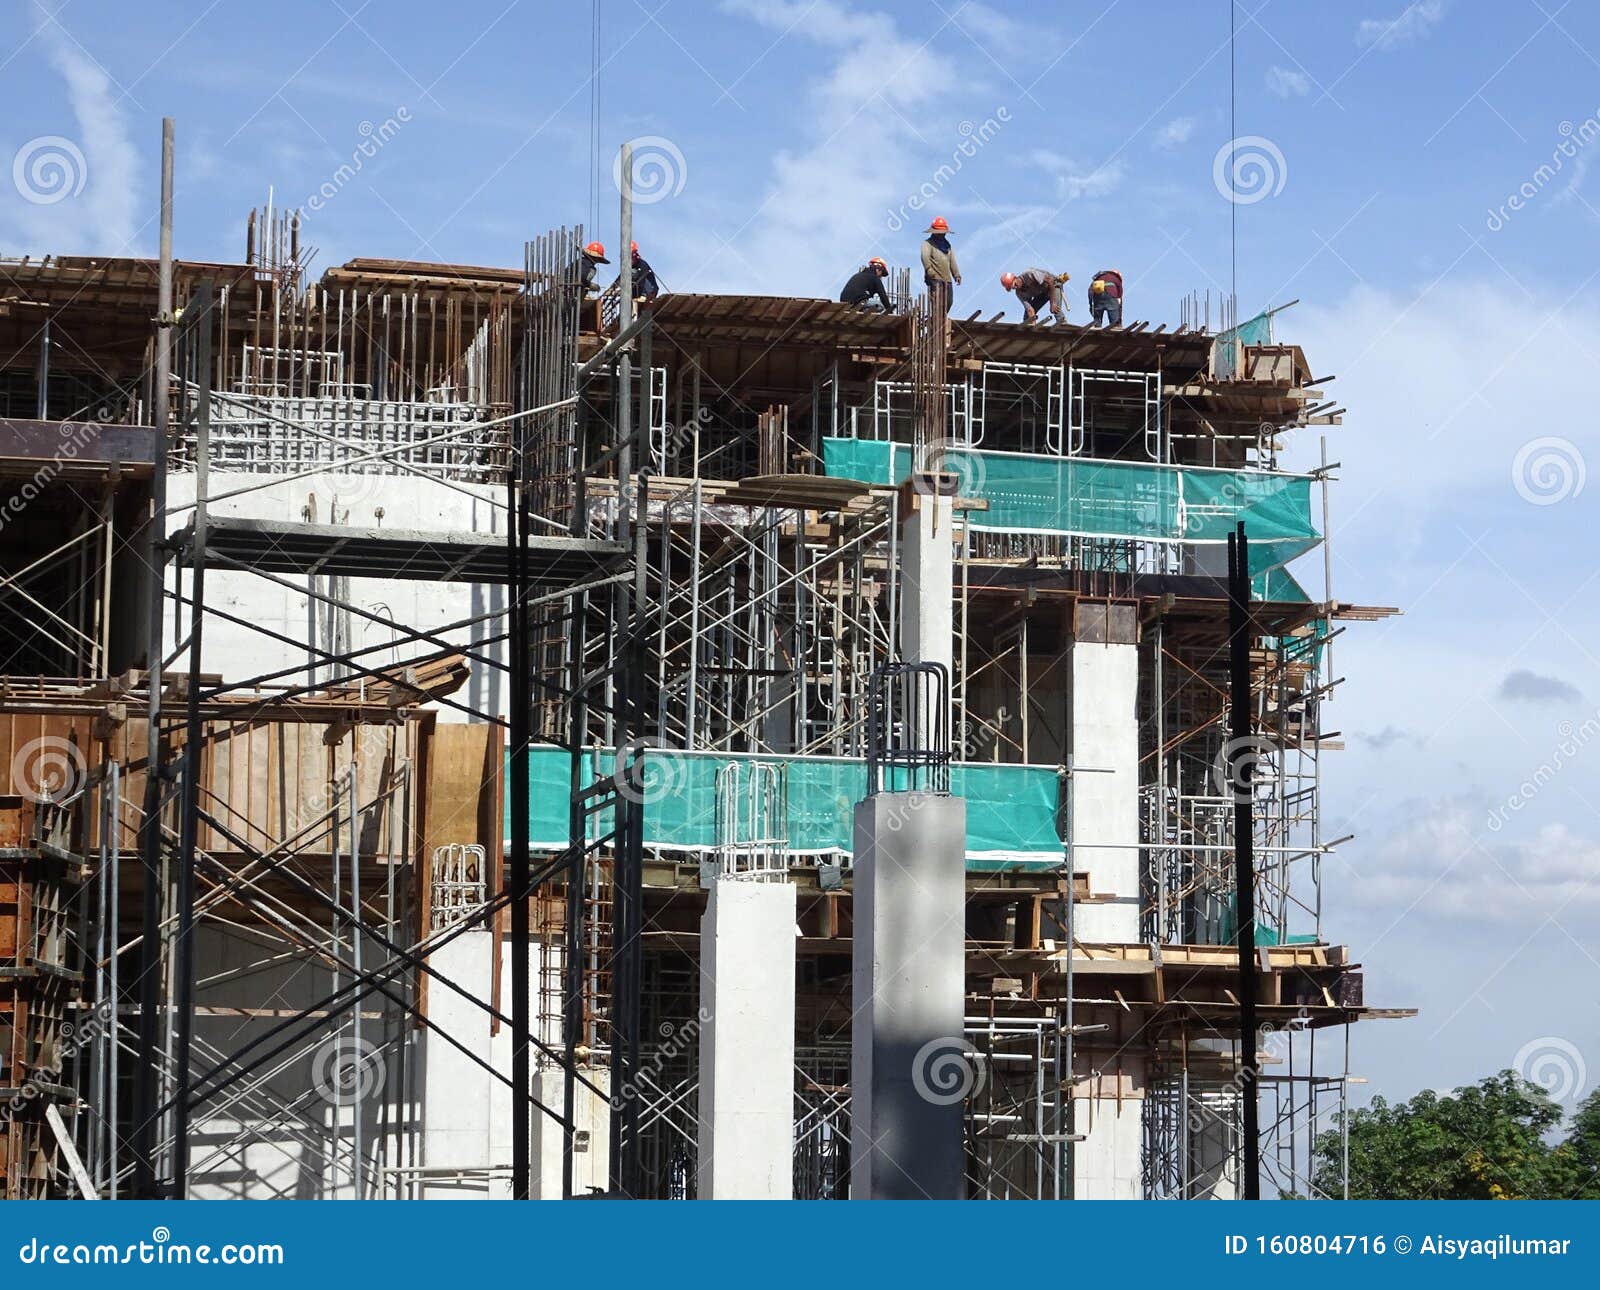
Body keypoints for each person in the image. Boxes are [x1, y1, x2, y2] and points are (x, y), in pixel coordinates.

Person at [919, 216, 960, 312]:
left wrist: (956, 274)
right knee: (937, 302)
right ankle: (937, 319)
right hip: (934, 278)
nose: (942, 235)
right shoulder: (928, 244)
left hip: (947, 279)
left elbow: (952, 260)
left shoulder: (947, 245)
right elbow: (925, 257)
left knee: (949, 301)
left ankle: (941, 318)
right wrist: (929, 270)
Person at [1001, 267, 1069, 325]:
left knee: (1055, 309)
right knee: (1027, 317)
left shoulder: (1029, 274)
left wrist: (1052, 303)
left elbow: (1050, 281)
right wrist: (1033, 326)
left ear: (1016, 278)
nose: (1016, 287)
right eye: (1013, 288)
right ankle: (1029, 333)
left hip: (1053, 286)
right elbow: (1030, 310)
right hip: (1043, 293)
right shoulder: (1019, 293)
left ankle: (1063, 325)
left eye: (1015, 284)